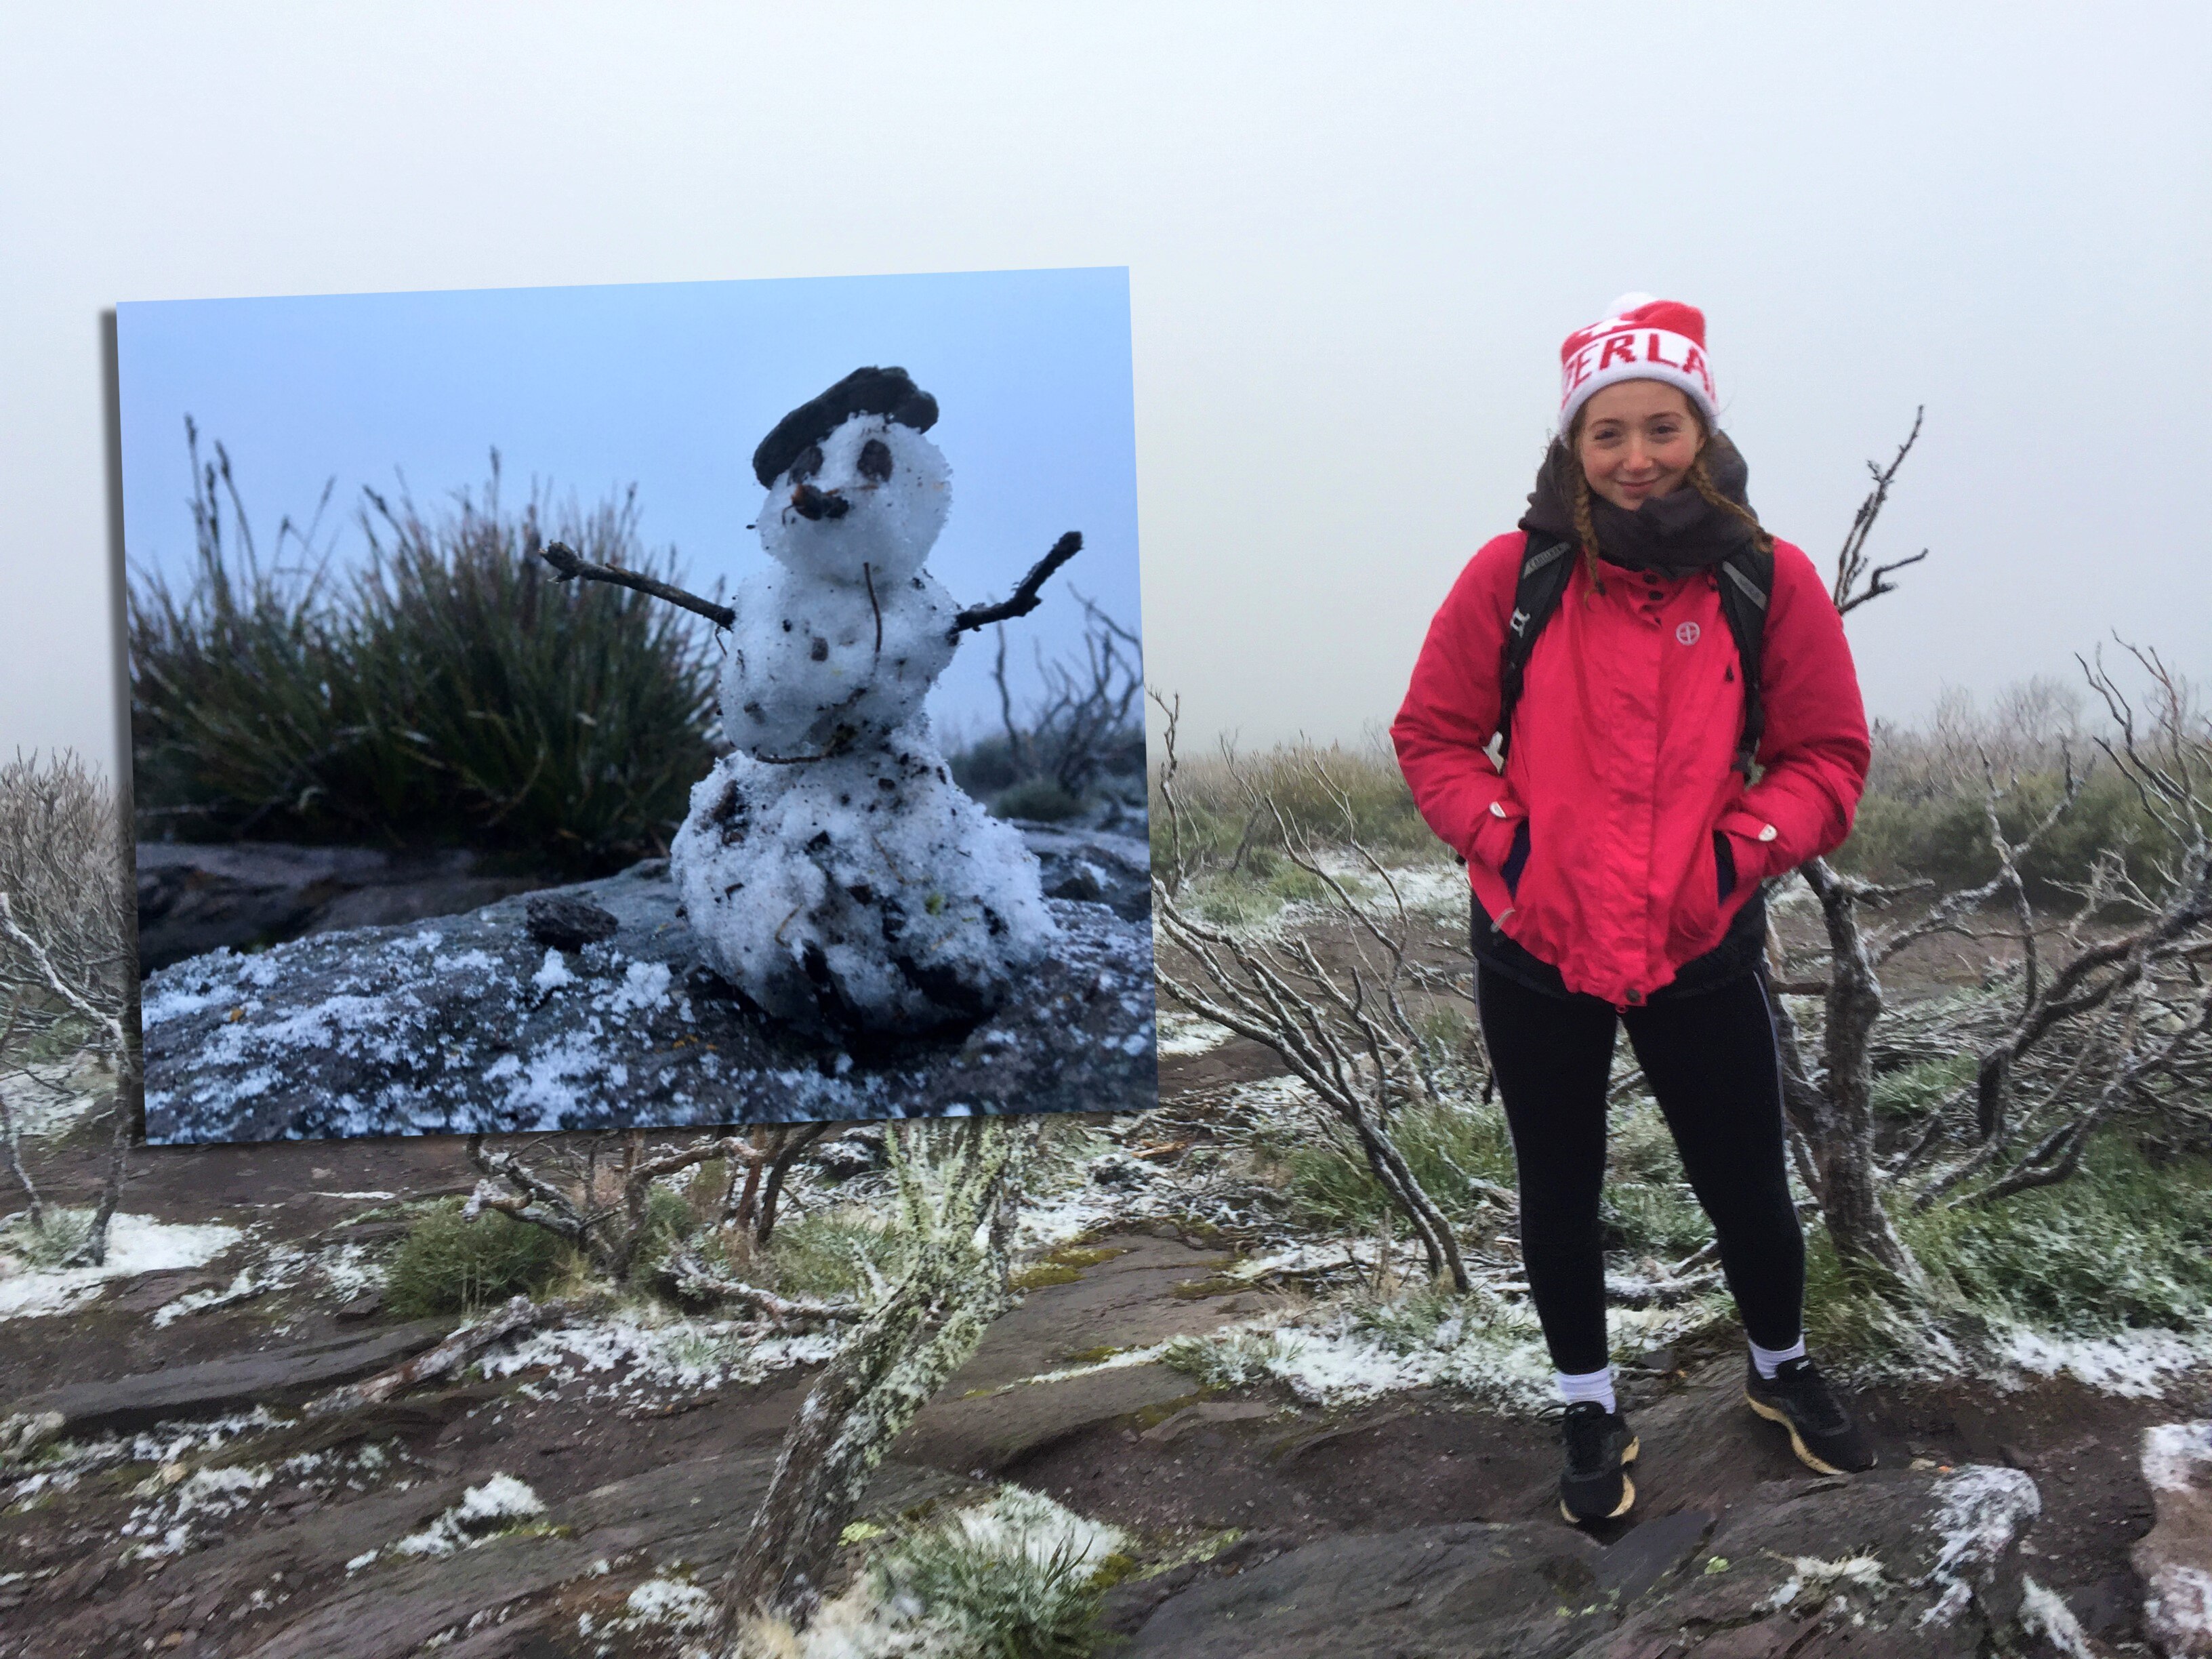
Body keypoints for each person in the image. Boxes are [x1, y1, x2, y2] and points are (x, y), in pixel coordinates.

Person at [1391, 293, 1877, 1527]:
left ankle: (1778, 1371)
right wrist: (1509, 842)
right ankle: (1587, 1401)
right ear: (1574, 448)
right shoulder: (1518, 574)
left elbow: (1826, 755)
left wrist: (1735, 859)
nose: (1637, 455)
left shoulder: (1769, 580)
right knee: (1558, 1188)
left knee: (1746, 1183)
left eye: (1663, 426)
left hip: (1699, 939)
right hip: (1534, 942)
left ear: (1703, 434)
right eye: (1608, 434)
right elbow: (1436, 736)